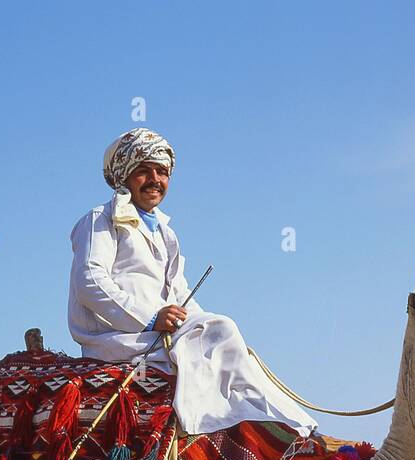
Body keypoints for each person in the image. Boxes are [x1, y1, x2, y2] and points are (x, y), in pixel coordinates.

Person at [67, 128, 318, 438]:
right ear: (124, 177)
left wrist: (204, 325)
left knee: (226, 339)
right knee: (220, 332)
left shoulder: (166, 233)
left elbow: (181, 294)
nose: (155, 180)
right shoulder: (99, 220)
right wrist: (150, 319)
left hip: (160, 334)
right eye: (143, 172)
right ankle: (228, 425)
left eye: (162, 172)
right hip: (118, 338)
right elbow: (89, 281)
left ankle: (285, 426)